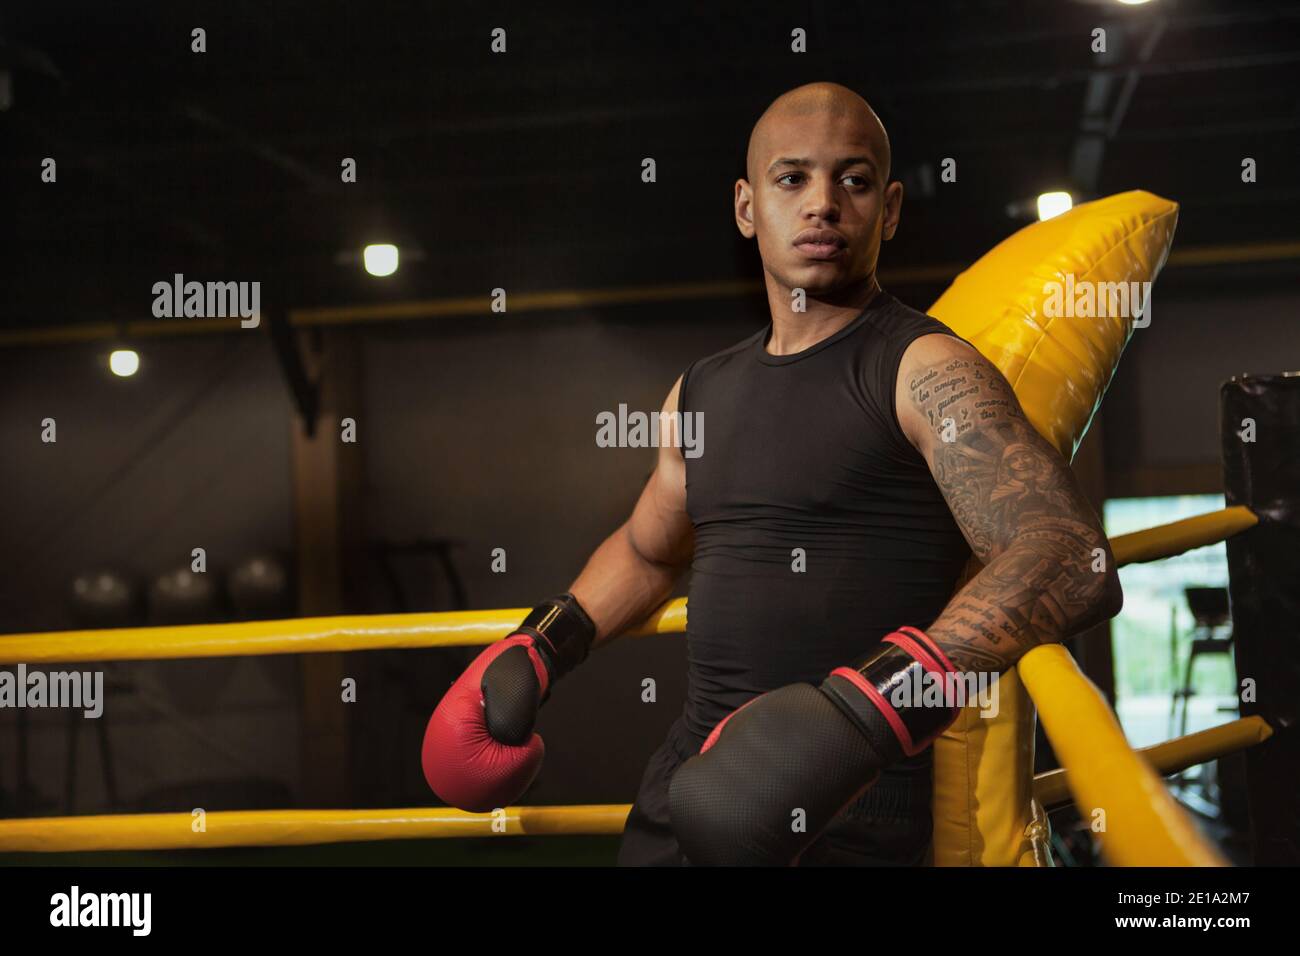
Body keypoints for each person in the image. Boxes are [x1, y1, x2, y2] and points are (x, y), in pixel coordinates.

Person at [422, 81, 1122, 866]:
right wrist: (542, 644)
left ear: (889, 210)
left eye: (853, 181)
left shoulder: (920, 368)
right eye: (792, 178)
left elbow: (1069, 555)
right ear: (747, 207)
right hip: (683, 792)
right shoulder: (703, 389)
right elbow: (652, 549)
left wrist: (864, 715)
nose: (822, 204)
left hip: (848, 804)